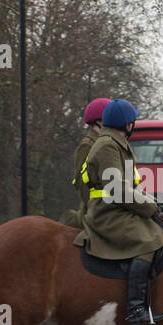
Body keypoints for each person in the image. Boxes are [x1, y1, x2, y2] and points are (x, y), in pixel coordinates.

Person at [73, 99, 163, 325]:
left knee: (158, 230)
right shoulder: (108, 145)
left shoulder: (115, 142)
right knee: (150, 242)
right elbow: (117, 188)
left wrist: (154, 202)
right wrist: (149, 208)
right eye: (133, 120)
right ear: (126, 123)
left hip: (116, 207)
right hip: (108, 213)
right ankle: (136, 308)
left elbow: (130, 186)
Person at [59, 97, 110, 228]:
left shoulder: (106, 143)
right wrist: (101, 209)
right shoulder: (88, 145)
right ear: (99, 122)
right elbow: (82, 183)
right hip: (97, 212)